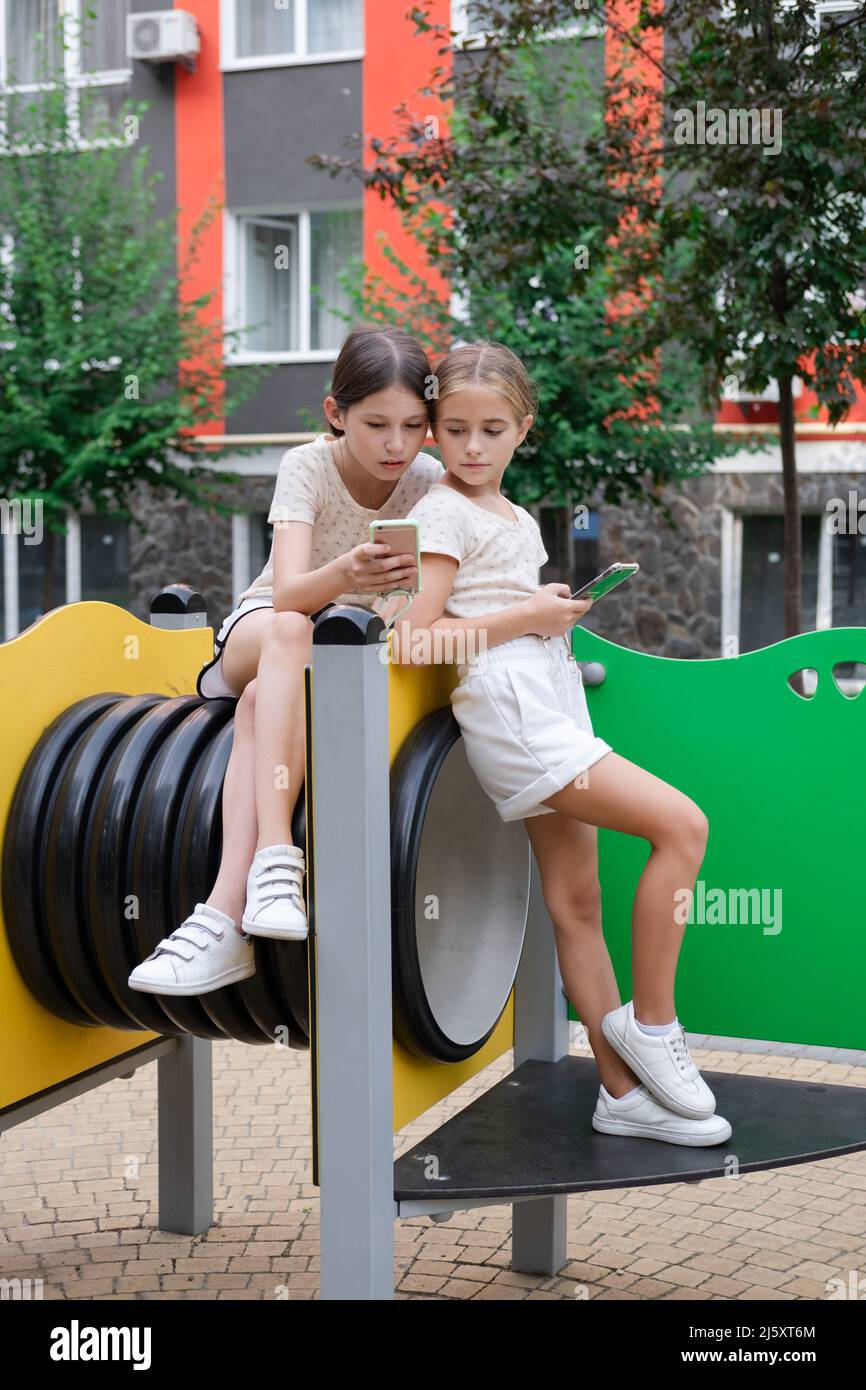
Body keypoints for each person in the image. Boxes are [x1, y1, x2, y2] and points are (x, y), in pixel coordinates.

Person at [397, 339, 732, 1147]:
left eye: (492, 429)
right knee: (683, 826)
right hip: (511, 714)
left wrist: (539, 602)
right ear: (435, 429)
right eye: (455, 429)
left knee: (577, 903)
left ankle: (619, 1095)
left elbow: (487, 604)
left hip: (546, 700)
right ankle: (653, 1026)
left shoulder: (509, 515)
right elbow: (413, 640)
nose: (472, 447)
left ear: (523, 429)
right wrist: (528, 618)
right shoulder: (438, 509)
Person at [128, 324, 443, 997]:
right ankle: (278, 855)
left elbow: (423, 595)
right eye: (376, 423)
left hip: (329, 655)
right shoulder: (307, 465)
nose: (396, 443)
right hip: (264, 628)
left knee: (259, 708)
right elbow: (291, 592)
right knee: (292, 633)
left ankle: (220, 919)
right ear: (336, 415)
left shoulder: (429, 481)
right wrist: (349, 571)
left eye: (414, 425)